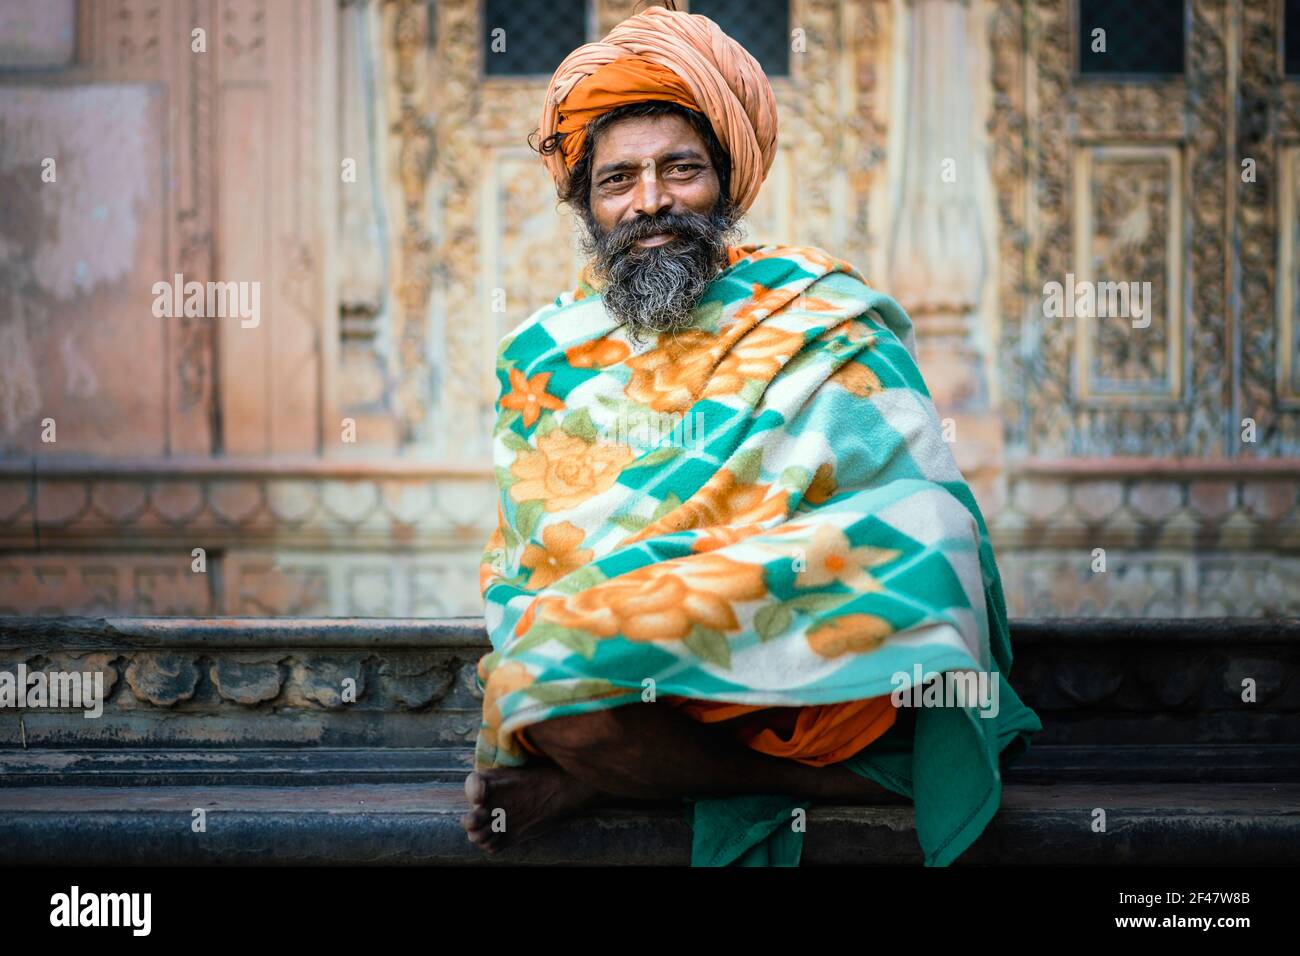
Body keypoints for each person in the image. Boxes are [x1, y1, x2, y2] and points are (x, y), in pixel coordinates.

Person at [465, 3, 1040, 866]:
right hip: (630, 645)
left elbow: (901, 484)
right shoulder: (541, 353)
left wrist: (744, 562)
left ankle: (642, 777)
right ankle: (785, 782)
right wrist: (656, 578)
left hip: (785, 612)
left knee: (936, 531)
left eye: (680, 170)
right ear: (586, 202)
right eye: (618, 180)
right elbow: (533, 567)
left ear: (726, 182)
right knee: (543, 686)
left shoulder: (814, 307)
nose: (650, 201)